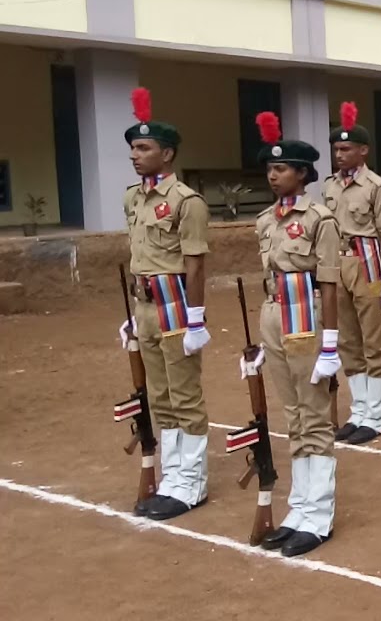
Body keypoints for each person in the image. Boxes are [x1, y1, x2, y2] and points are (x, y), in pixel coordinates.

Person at [243, 112, 342, 557]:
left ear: (303, 173)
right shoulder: (266, 220)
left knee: (315, 416)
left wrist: (332, 344)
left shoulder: (320, 218)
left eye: (281, 168)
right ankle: (298, 509)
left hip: (307, 316)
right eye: (269, 168)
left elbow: (329, 282)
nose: (273, 174)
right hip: (274, 316)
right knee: (293, 416)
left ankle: (318, 516)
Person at [119, 87, 212, 521]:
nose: (135, 155)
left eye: (144, 148)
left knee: (185, 395)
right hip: (145, 305)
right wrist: (131, 314)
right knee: (158, 396)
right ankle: (172, 476)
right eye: (133, 148)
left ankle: (191, 483)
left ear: (167, 153)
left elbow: (194, 265)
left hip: (175, 305)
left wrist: (196, 319)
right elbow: (139, 257)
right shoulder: (133, 198)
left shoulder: (186, 202)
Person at [324, 102, 381, 446]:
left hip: (366, 262)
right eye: (336, 148)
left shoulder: (377, 186)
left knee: (372, 342)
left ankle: (376, 415)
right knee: (347, 341)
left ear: (363, 150)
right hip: (336, 264)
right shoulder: (330, 185)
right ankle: (359, 411)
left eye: (346, 148)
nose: (339, 154)